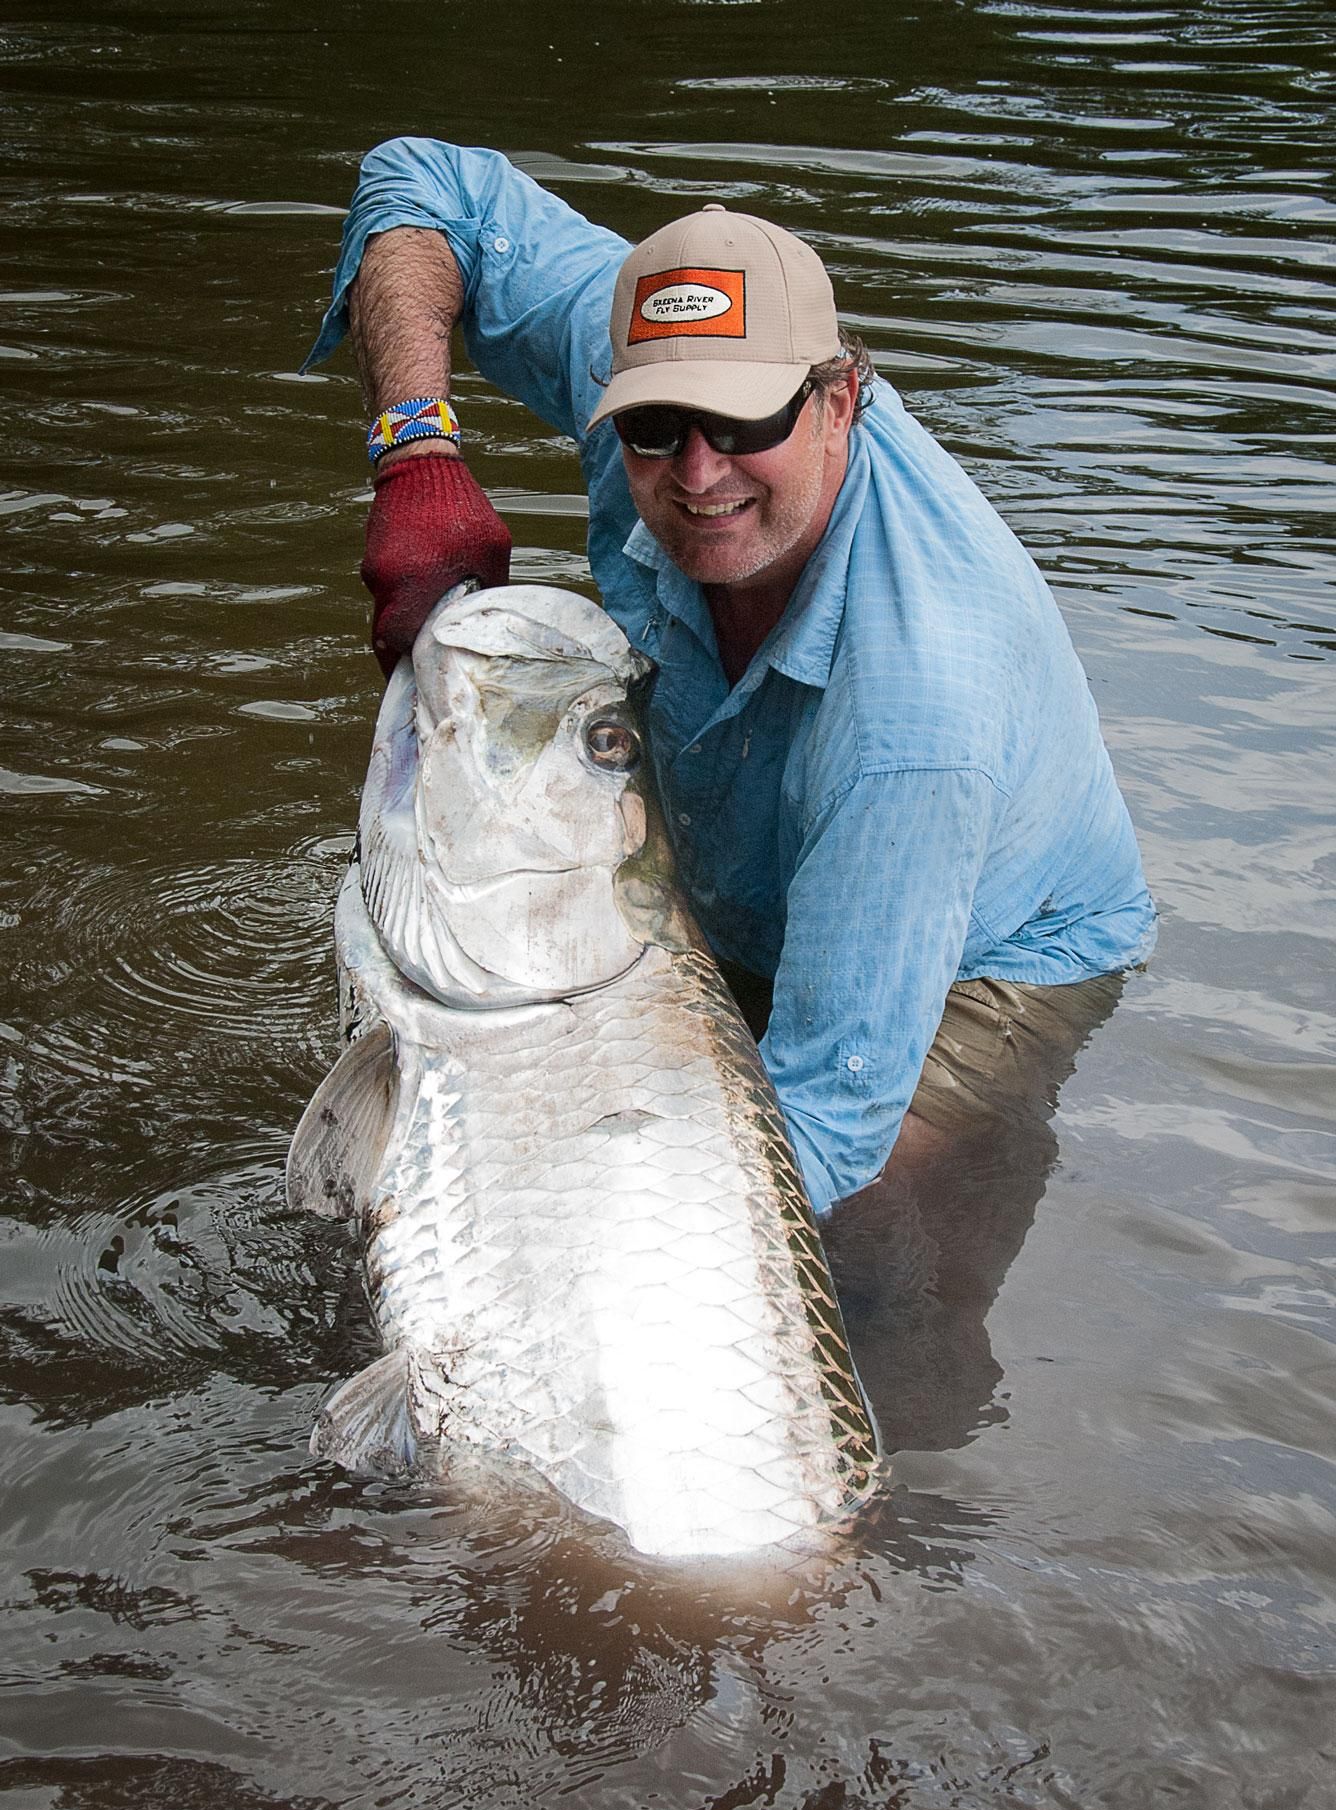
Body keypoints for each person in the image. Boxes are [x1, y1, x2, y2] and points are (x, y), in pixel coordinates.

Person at [303, 137, 1157, 1223]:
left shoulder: (912, 719)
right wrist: (415, 453)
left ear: (839, 399)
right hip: (758, 856)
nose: (699, 472)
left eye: (746, 422)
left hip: (990, 951)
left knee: (859, 1246)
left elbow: (823, 1129)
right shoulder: (641, 361)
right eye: (655, 428)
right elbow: (422, 185)